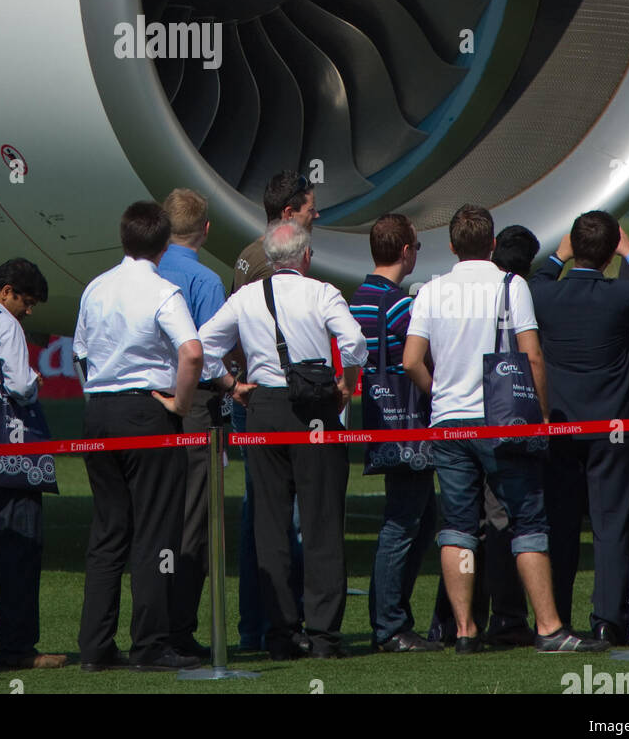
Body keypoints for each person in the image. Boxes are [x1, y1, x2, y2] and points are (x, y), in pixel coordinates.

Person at [402, 204, 603, 654]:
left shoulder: (431, 291)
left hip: (449, 422)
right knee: (528, 521)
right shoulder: (511, 286)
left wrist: (440, 394)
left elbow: (411, 360)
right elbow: (532, 356)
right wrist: (545, 415)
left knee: (457, 527)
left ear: (452, 247)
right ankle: (549, 626)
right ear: (491, 244)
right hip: (502, 419)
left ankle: (465, 628)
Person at [201, 221, 365, 659]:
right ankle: (325, 635)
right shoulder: (322, 292)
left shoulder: (245, 296)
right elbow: (353, 343)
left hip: (265, 407)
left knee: (270, 524)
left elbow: (202, 346)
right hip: (314, 405)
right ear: (305, 257)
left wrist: (231, 386)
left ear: (269, 260)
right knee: (322, 521)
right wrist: (346, 384)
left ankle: (281, 633)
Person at [72, 201, 204, 672]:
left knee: (108, 533)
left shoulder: (96, 287)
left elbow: (81, 353)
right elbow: (191, 352)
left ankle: (95, 646)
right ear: (165, 245)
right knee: (155, 533)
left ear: (123, 238)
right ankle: (150, 644)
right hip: (146, 411)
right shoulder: (164, 290)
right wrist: (181, 405)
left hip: (100, 409)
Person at [530, 212, 629, 643]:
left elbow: (534, 282)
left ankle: (556, 616)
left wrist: (558, 255)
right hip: (612, 425)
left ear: (574, 246)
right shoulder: (621, 295)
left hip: (562, 424)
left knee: (562, 522)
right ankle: (607, 617)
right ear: (610, 253)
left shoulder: (545, 296)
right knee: (611, 526)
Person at [0, 258, 67, 669]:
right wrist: (34, 381)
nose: (30, 311)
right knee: (18, 546)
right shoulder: (4, 323)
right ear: (7, 291)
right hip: (8, 444)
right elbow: (19, 385)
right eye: (28, 300)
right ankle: (18, 647)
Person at [230, 169, 313, 648]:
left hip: (253, 393)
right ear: (288, 214)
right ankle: (284, 621)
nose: (315, 215)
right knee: (288, 515)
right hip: (277, 397)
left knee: (257, 511)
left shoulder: (247, 255)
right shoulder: (273, 260)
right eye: (307, 208)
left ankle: (255, 624)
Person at [350, 213, 440, 652]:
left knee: (416, 519)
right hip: (409, 423)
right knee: (404, 523)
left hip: (381, 419)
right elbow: (419, 357)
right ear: (405, 252)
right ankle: (390, 624)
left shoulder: (359, 298)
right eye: (417, 248)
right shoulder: (401, 304)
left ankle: (392, 617)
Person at [155, 187, 229, 657]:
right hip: (195, 405)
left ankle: (150, 628)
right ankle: (178, 630)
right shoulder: (206, 281)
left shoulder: (144, 274)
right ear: (205, 229)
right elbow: (210, 356)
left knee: (150, 514)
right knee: (194, 519)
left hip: (145, 405)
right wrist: (233, 385)